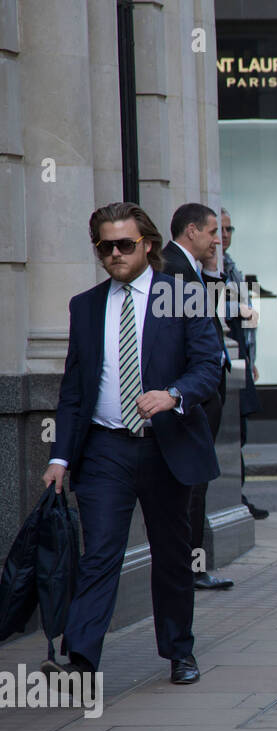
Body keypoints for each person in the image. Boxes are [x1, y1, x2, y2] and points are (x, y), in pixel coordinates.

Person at [41, 201, 223, 684]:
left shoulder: (183, 295)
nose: (115, 253)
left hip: (167, 446)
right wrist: (60, 455)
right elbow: (74, 389)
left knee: (171, 553)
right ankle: (80, 658)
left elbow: (209, 367)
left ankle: (179, 652)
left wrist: (173, 395)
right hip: (105, 448)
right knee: (100, 552)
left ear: (147, 244)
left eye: (125, 244)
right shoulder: (85, 305)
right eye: (106, 246)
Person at [162, 203, 234, 591]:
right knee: (193, 485)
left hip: (199, 395)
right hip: (190, 398)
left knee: (197, 484)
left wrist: (212, 275)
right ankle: (192, 567)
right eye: (211, 232)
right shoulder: (172, 267)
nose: (217, 239)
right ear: (191, 230)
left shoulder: (190, 268)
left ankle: (194, 565)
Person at [218, 208, 268, 520]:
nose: (223, 236)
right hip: (226, 358)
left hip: (240, 357)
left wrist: (251, 361)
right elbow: (223, 306)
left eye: (228, 229)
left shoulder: (232, 266)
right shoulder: (210, 268)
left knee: (240, 430)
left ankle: (238, 495)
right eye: (218, 230)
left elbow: (249, 318)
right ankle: (233, 496)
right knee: (231, 431)